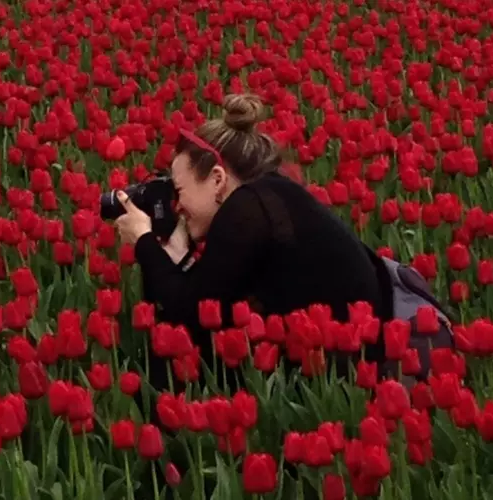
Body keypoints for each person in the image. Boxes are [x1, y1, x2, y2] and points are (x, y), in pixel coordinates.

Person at [115, 93, 395, 391]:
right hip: (347, 360)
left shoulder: (247, 208)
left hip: (346, 372)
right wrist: (178, 255)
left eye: (180, 191)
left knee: (183, 356)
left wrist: (143, 240)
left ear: (218, 179)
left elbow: (190, 311)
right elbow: (212, 297)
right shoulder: (270, 194)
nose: (177, 206)